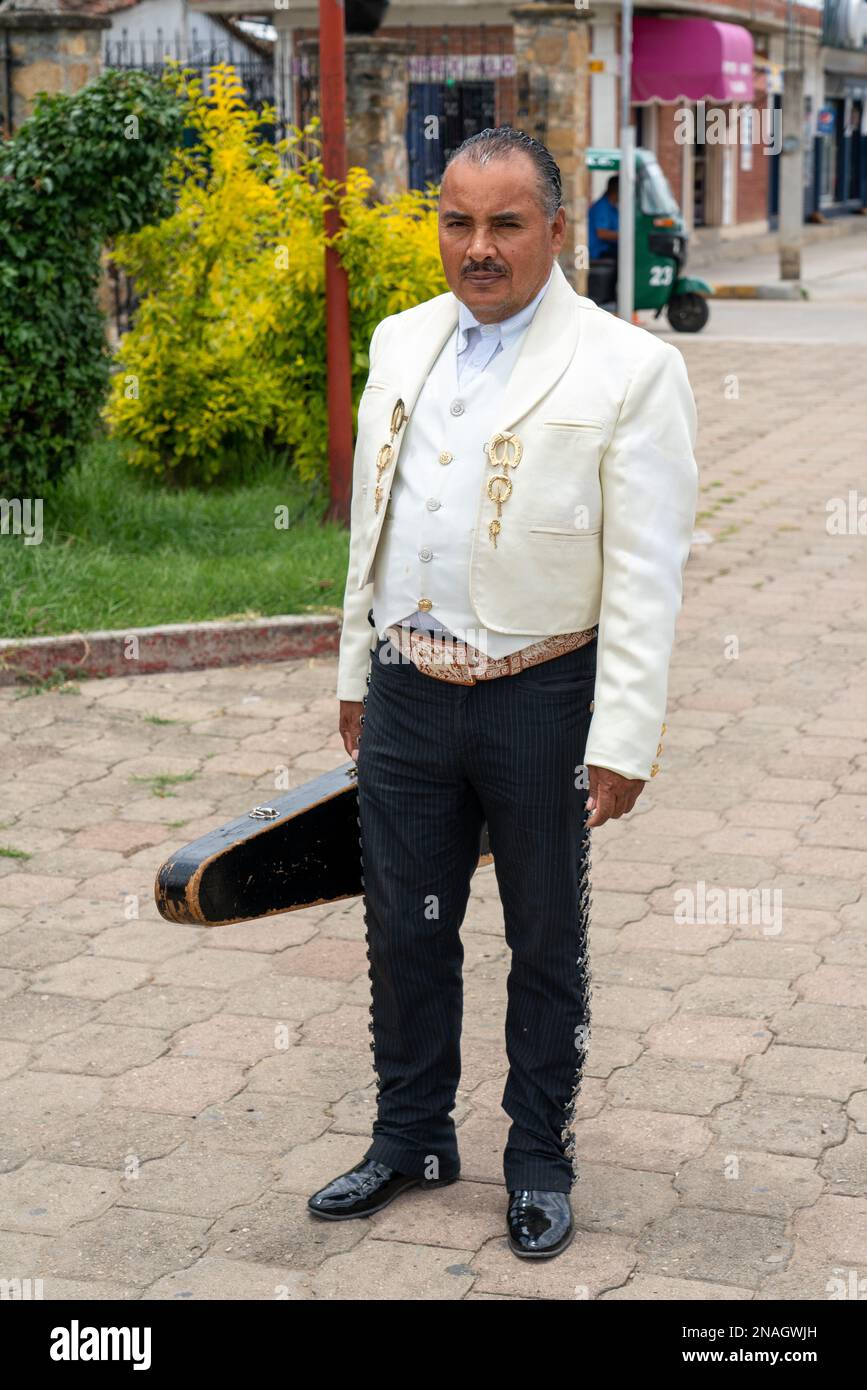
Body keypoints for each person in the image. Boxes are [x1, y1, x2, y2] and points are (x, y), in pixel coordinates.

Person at [309, 126, 698, 1260]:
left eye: (505, 224)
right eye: (457, 222)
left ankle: (537, 1156)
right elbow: (371, 533)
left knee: (544, 941)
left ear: (555, 231)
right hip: (409, 690)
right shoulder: (400, 339)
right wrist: (355, 671)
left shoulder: (630, 368)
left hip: (545, 694)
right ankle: (414, 1135)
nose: (478, 249)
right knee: (404, 930)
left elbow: (645, 569)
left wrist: (624, 735)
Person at [588, 174, 619, 261]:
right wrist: (625, 236)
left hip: (609, 248)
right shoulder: (602, 207)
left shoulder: (614, 207)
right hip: (598, 252)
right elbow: (601, 233)